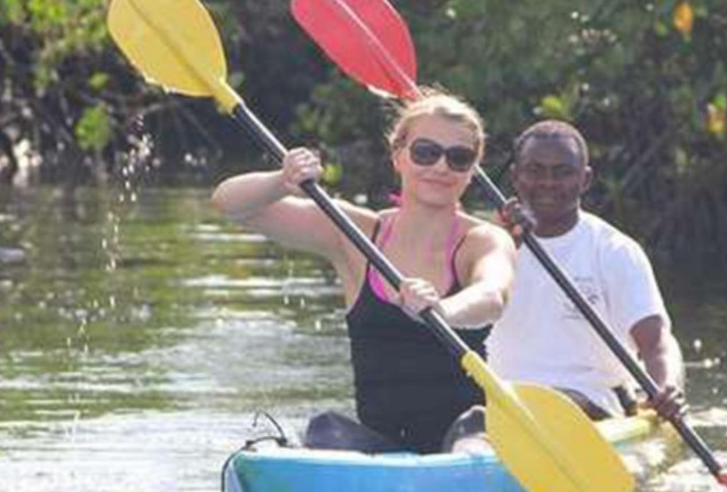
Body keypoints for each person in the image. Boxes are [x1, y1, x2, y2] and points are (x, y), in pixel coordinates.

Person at [211, 90, 516, 454]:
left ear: (471, 173)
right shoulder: (352, 232)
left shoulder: (483, 239)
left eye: (459, 158)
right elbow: (231, 205)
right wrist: (281, 180)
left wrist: (442, 310)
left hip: (467, 437)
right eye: (425, 152)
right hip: (383, 447)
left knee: (471, 440)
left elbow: (492, 295)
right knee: (324, 429)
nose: (440, 167)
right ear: (398, 156)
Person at [487, 119, 686, 421]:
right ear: (515, 177)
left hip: (592, 405)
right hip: (499, 405)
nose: (548, 183)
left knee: (557, 405)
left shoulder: (615, 251)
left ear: (585, 179)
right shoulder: (484, 246)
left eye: (563, 172)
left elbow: (657, 343)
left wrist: (667, 386)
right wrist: (505, 245)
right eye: (535, 170)